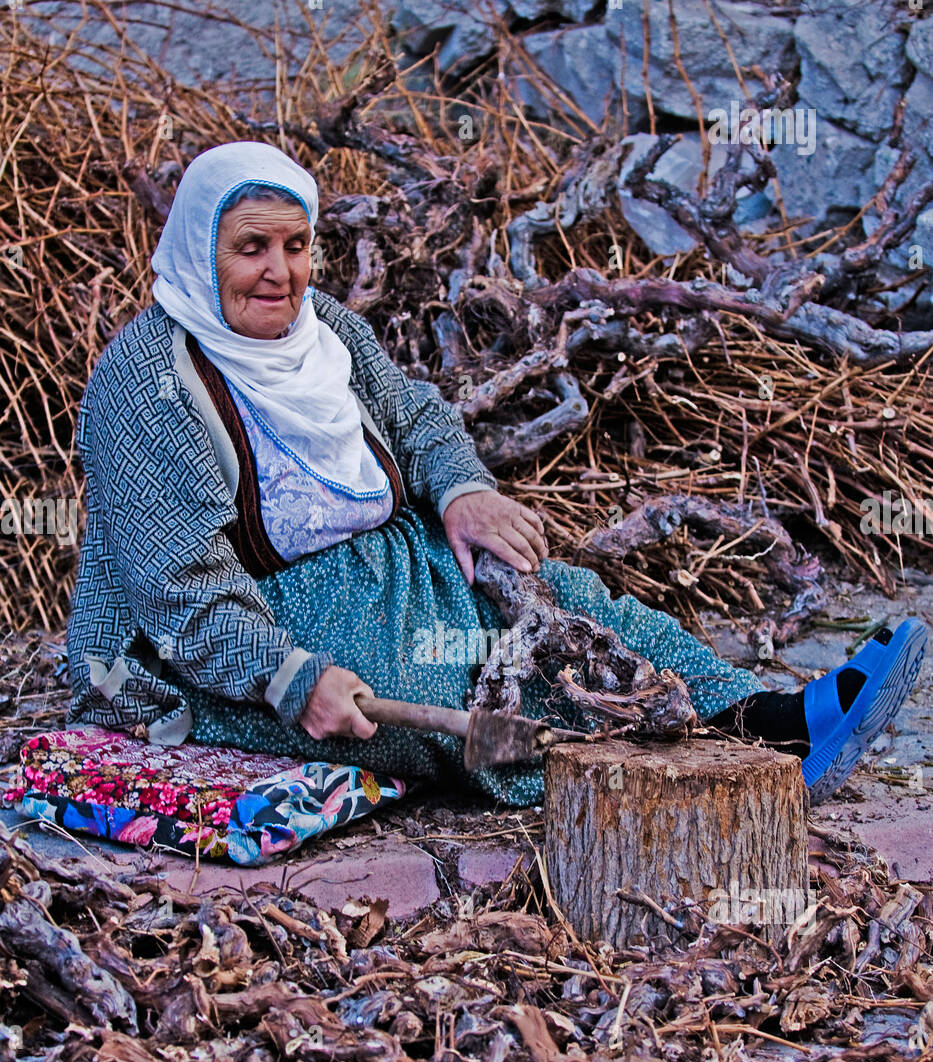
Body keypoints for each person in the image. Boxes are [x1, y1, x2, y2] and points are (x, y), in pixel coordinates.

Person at [66, 141, 927, 808]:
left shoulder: (321, 328)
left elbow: (414, 417)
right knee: (463, 679)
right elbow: (180, 591)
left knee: (569, 603)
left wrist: (462, 489)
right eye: (250, 247)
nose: (279, 272)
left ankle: (767, 720)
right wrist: (287, 677)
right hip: (253, 622)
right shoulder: (150, 380)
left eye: (296, 245)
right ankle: (688, 775)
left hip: (390, 559)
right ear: (197, 249)